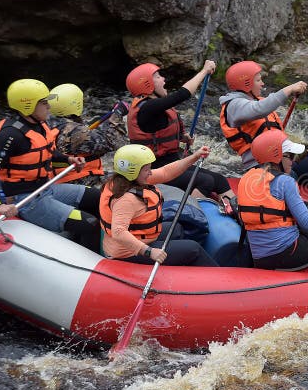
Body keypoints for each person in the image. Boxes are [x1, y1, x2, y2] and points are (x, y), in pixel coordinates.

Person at [0, 79, 100, 250]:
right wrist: (0, 205)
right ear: (27, 106)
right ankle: (96, 262)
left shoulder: (40, 125)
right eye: (44, 103)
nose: (49, 107)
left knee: (96, 197)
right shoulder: (9, 135)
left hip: (47, 188)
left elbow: (47, 154)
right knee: (89, 223)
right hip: (25, 200)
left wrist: (68, 159)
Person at [236, 129, 308, 270]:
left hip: (260, 259)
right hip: (289, 256)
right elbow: (307, 222)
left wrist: (297, 157)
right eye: (290, 156)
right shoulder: (286, 182)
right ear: (277, 157)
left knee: (303, 210)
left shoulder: (247, 179)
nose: (293, 160)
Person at [218, 60, 308, 190]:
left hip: (283, 156)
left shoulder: (259, 100)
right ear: (246, 84)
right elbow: (259, 109)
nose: (262, 84)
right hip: (262, 163)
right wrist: (289, 89)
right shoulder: (233, 106)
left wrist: (297, 152)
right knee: (289, 179)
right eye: (258, 80)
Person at [126, 60, 235, 201]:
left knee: (219, 180)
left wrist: (181, 137)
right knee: (205, 181)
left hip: (172, 164)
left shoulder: (154, 108)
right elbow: (182, 95)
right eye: (158, 77)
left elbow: (157, 134)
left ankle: (239, 214)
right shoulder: (148, 108)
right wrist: (204, 71)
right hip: (153, 171)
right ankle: (191, 215)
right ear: (147, 84)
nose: (163, 79)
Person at [99, 144, 219, 267]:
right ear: (133, 171)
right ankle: (221, 280)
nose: (150, 172)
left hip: (140, 238)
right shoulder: (126, 199)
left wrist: (194, 157)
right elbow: (118, 232)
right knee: (194, 249)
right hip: (127, 253)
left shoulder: (128, 180)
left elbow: (165, 172)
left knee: (177, 228)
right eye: (147, 169)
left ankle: (179, 267)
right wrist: (149, 251)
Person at [47, 83, 128, 186]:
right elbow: (114, 142)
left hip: (59, 180)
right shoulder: (76, 132)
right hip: (81, 181)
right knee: (130, 180)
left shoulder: (48, 123)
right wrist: (117, 115)